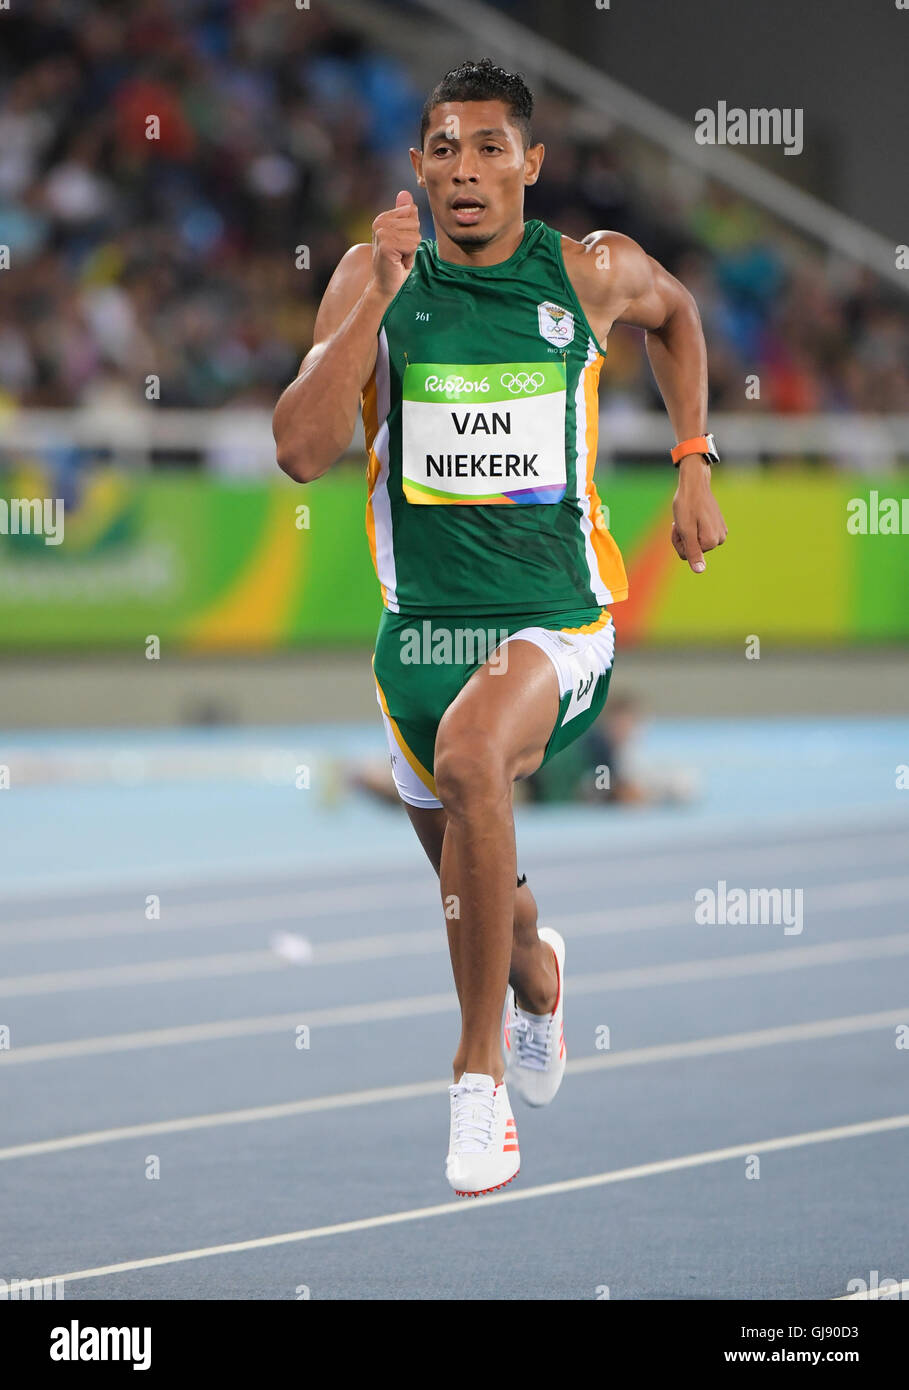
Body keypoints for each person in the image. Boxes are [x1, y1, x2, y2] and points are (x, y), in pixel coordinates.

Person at [273, 58, 727, 1197]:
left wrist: (691, 459)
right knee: (484, 891)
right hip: (415, 651)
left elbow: (676, 315)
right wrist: (375, 295)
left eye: (488, 149)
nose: (464, 171)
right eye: (443, 149)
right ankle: (536, 979)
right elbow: (299, 450)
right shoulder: (372, 279)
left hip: (560, 628)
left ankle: (475, 1081)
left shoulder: (589, 273)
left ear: (531, 163)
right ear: (418, 167)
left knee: (479, 755)